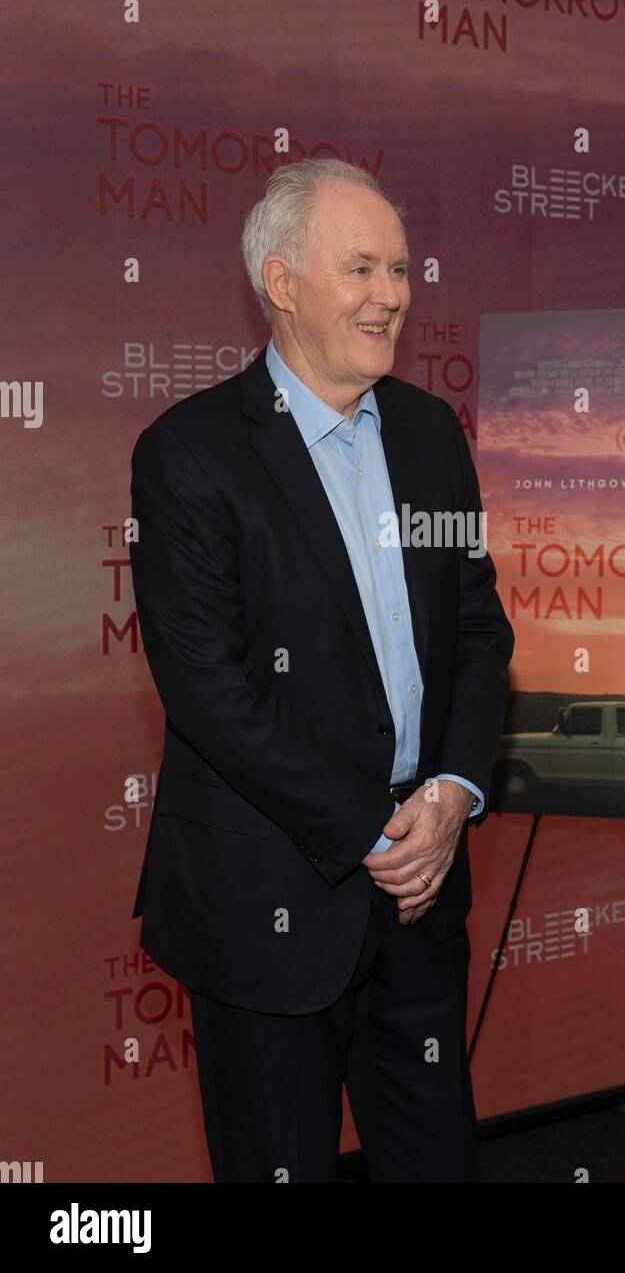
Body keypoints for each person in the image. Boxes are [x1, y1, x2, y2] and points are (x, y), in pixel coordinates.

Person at [128, 158, 515, 1183]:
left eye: (397, 268)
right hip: (269, 905)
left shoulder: (432, 436)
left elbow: (478, 634)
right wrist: (368, 830)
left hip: (422, 888)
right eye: (359, 268)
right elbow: (209, 687)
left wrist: (449, 797)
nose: (390, 292)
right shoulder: (191, 454)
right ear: (280, 278)